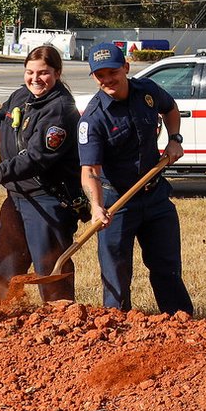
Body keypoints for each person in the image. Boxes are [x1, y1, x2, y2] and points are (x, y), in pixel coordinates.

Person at [78, 41, 193, 315]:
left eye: (112, 72)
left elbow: (171, 108)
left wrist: (174, 139)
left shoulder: (147, 92)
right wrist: (96, 206)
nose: (107, 80)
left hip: (154, 196)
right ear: (94, 77)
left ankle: (180, 321)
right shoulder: (93, 119)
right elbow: (89, 171)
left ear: (126, 68)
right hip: (117, 201)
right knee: (116, 273)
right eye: (100, 75)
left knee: (167, 266)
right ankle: (116, 325)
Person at [0, 44, 84, 302]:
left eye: (43, 73)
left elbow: (35, 159)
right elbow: (1, 114)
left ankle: (61, 320)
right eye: (30, 72)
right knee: (4, 265)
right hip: (17, 195)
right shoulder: (21, 95)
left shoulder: (60, 110)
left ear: (58, 73)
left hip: (47, 198)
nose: (35, 79)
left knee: (50, 269)